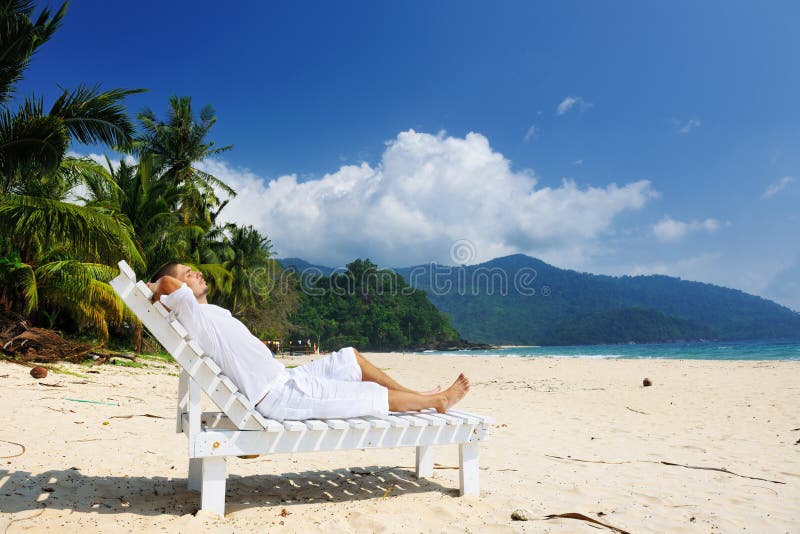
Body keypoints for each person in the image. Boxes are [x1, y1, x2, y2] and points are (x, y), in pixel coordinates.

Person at [147, 263, 470, 422]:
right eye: (188, 273)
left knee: (350, 358)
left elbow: (176, 287)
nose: (197, 273)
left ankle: (418, 395)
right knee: (369, 395)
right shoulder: (192, 315)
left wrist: (168, 284)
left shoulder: (209, 313)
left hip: (287, 379)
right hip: (279, 396)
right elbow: (170, 286)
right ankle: (437, 400)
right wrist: (158, 283)